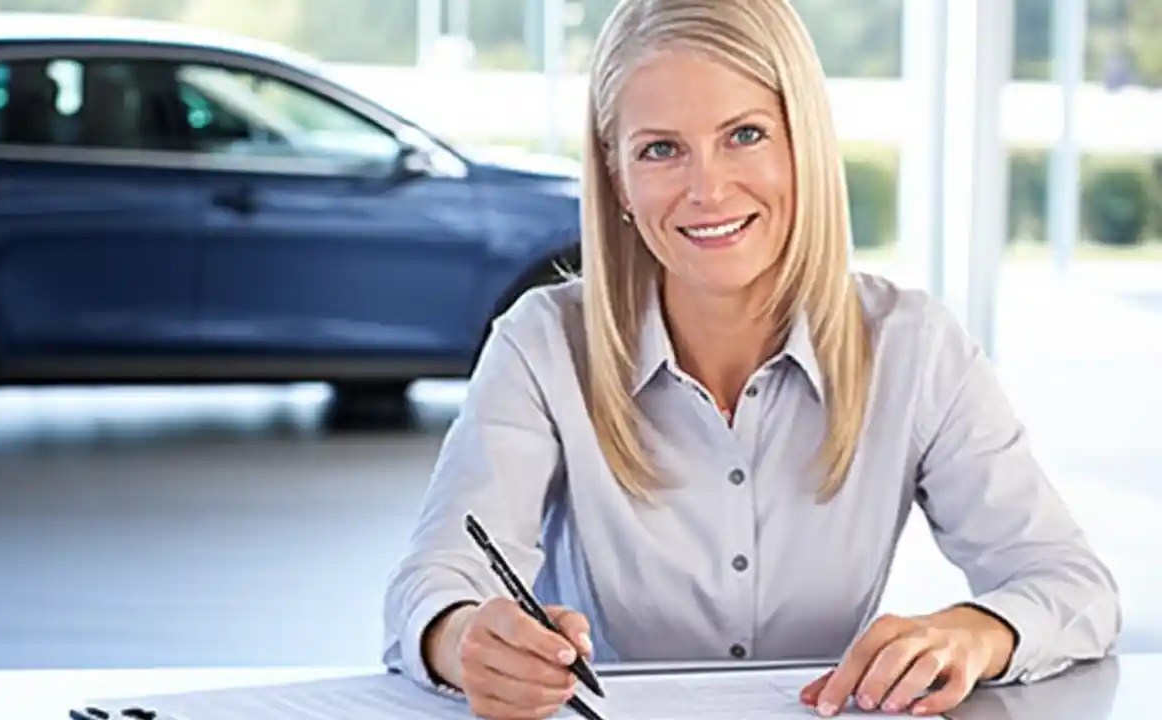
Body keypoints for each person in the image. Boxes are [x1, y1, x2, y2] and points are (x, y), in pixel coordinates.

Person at [382, 0, 1122, 717]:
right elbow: (436, 581)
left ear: (804, 142)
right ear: (619, 180)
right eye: (661, 149)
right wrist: (462, 640)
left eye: (745, 134)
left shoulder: (915, 347)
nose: (708, 189)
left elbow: (1071, 586)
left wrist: (974, 632)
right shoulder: (541, 345)